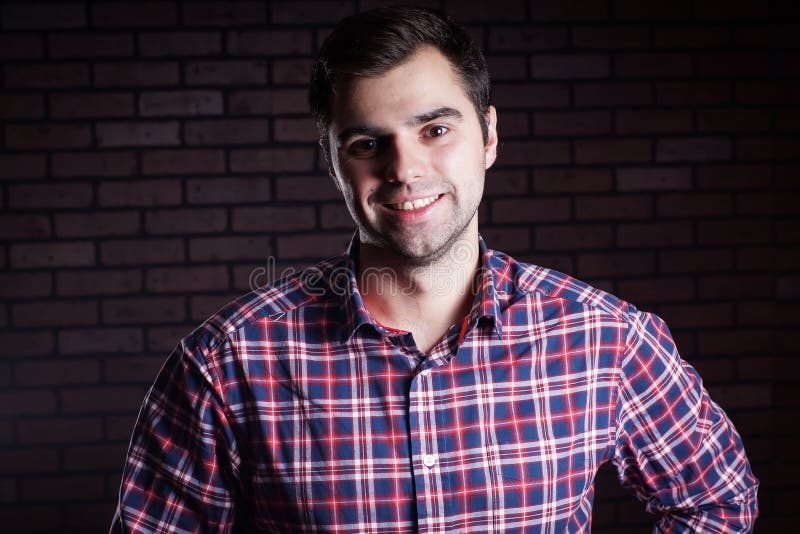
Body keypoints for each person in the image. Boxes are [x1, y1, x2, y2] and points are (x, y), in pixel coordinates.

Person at [111, 7, 758, 533]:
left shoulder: (609, 339)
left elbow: (717, 503)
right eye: (367, 144)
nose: (404, 168)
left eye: (435, 130)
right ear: (335, 163)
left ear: (489, 135)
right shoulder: (228, 364)